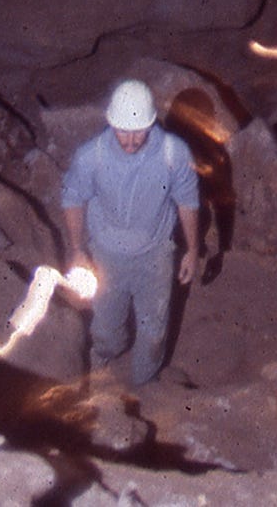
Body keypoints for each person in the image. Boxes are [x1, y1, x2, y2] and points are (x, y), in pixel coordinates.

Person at [60, 79, 199, 388]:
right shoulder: (91, 157)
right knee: (106, 331)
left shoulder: (173, 154)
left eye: (138, 131)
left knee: (153, 333)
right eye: (123, 130)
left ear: (151, 124)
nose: (131, 140)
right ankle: (101, 368)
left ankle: (143, 386)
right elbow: (73, 199)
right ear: (111, 123)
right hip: (107, 254)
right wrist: (77, 249)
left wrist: (192, 249)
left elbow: (187, 201)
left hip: (156, 254)